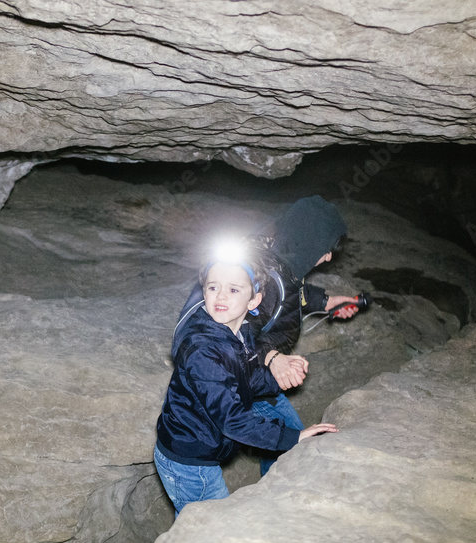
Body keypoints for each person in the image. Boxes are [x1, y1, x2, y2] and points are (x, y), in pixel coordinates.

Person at [173, 196, 361, 477]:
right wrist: (273, 358)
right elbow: (234, 330)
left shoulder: (272, 255)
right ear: (309, 239)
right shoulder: (268, 278)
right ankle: (277, 491)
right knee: (290, 440)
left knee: (286, 436)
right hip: (238, 369)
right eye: (326, 248)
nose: (328, 257)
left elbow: (289, 292)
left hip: (246, 368)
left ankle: (272, 482)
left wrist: (326, 301)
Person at [154, 253, 338, 515]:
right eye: (213, 287)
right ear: (203, 291)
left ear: (254, 299)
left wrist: (274, 380)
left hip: (198, 448)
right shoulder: (203, 350)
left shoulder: (240, 332)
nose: (221, 296)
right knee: (212, 526)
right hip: (190, 461)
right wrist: (292, 437)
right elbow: (233, 420)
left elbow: (243, 378)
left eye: (233, 289)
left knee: (200, 525)